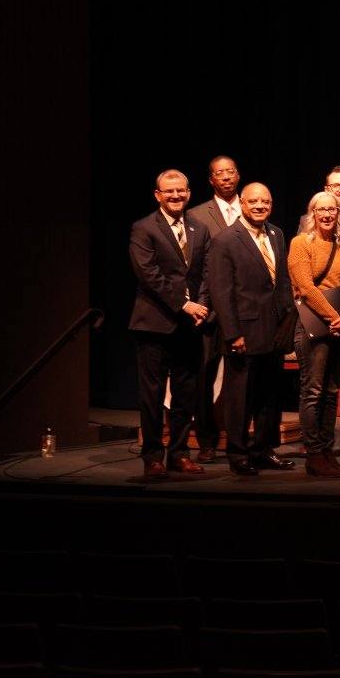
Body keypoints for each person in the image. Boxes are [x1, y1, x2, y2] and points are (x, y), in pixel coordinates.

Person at [127, 169, 212, 479]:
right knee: (151, 395)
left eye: (181, 191)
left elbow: (204, 272)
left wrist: (201, 304)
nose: (176, 196)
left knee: (185, 394)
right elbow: (149, 275)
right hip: (154, 324)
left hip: (189, 325)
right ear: (157, 195)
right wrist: (183, 304)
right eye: (169, 191)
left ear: (189, 193)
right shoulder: (144, 228)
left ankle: (178, 453)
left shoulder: (199, 228)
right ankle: (152, 457)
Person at [208, 182, 295, 477]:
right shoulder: (225, 240)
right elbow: (221, 292)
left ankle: (262, 449)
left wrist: (287, 321)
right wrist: (233, 333)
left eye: (265, 202)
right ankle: (238, 452)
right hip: (243, 331)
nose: (260, 206)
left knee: (270, 394)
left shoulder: (277, 233)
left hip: (275, 329)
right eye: (254, 201)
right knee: (240, 396)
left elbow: (281, 281)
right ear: (242, 203)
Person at [289, 191, 340, 478]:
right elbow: (305, 287)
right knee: (313, 390)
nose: (327, 214)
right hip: (313, 326)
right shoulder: (301, 243)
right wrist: (334, 318)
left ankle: (327, 451)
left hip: (339, 326)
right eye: (321, 209)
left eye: (333, 210)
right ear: (312, 213)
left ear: (339, 214)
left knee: (331, 392)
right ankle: (313, 453)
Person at [186, 155, 243, 461]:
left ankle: (239, 442)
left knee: (241, 376)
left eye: (230, 172)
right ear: (211, 180)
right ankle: (206, 440)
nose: (225, 177)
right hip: (209, 308)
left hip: (243, 307)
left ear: (237, 175)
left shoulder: (252, 208)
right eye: (219, 174)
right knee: (204, 375)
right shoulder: (196, 215)